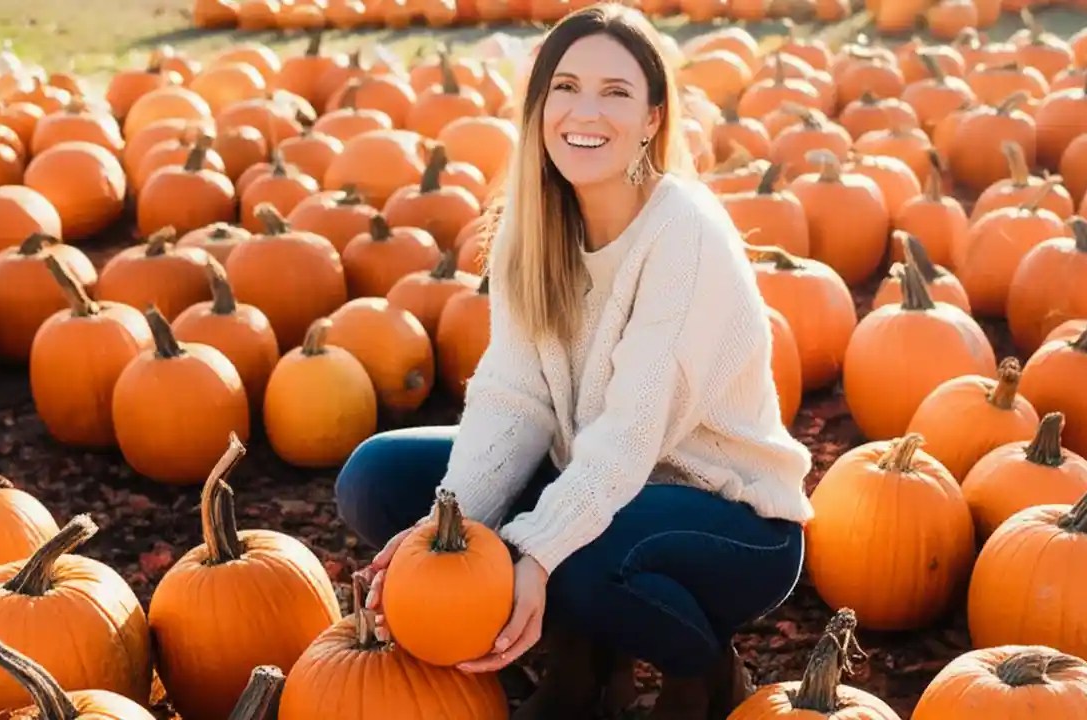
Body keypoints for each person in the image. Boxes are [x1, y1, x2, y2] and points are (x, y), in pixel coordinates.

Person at [334, 4, 814, 718]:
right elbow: (513, 397)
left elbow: (631, 432)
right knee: (379, 479)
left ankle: (704, 666)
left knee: (574, 560)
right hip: (602, 483)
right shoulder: (534, 228)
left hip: (728, 514)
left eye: (615, 92)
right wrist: (454, 524)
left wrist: (531, 553)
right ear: (539, 106)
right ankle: (586, 660)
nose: (584, 111)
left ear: (652, 118)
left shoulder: (683, 231)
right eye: (566, 86)